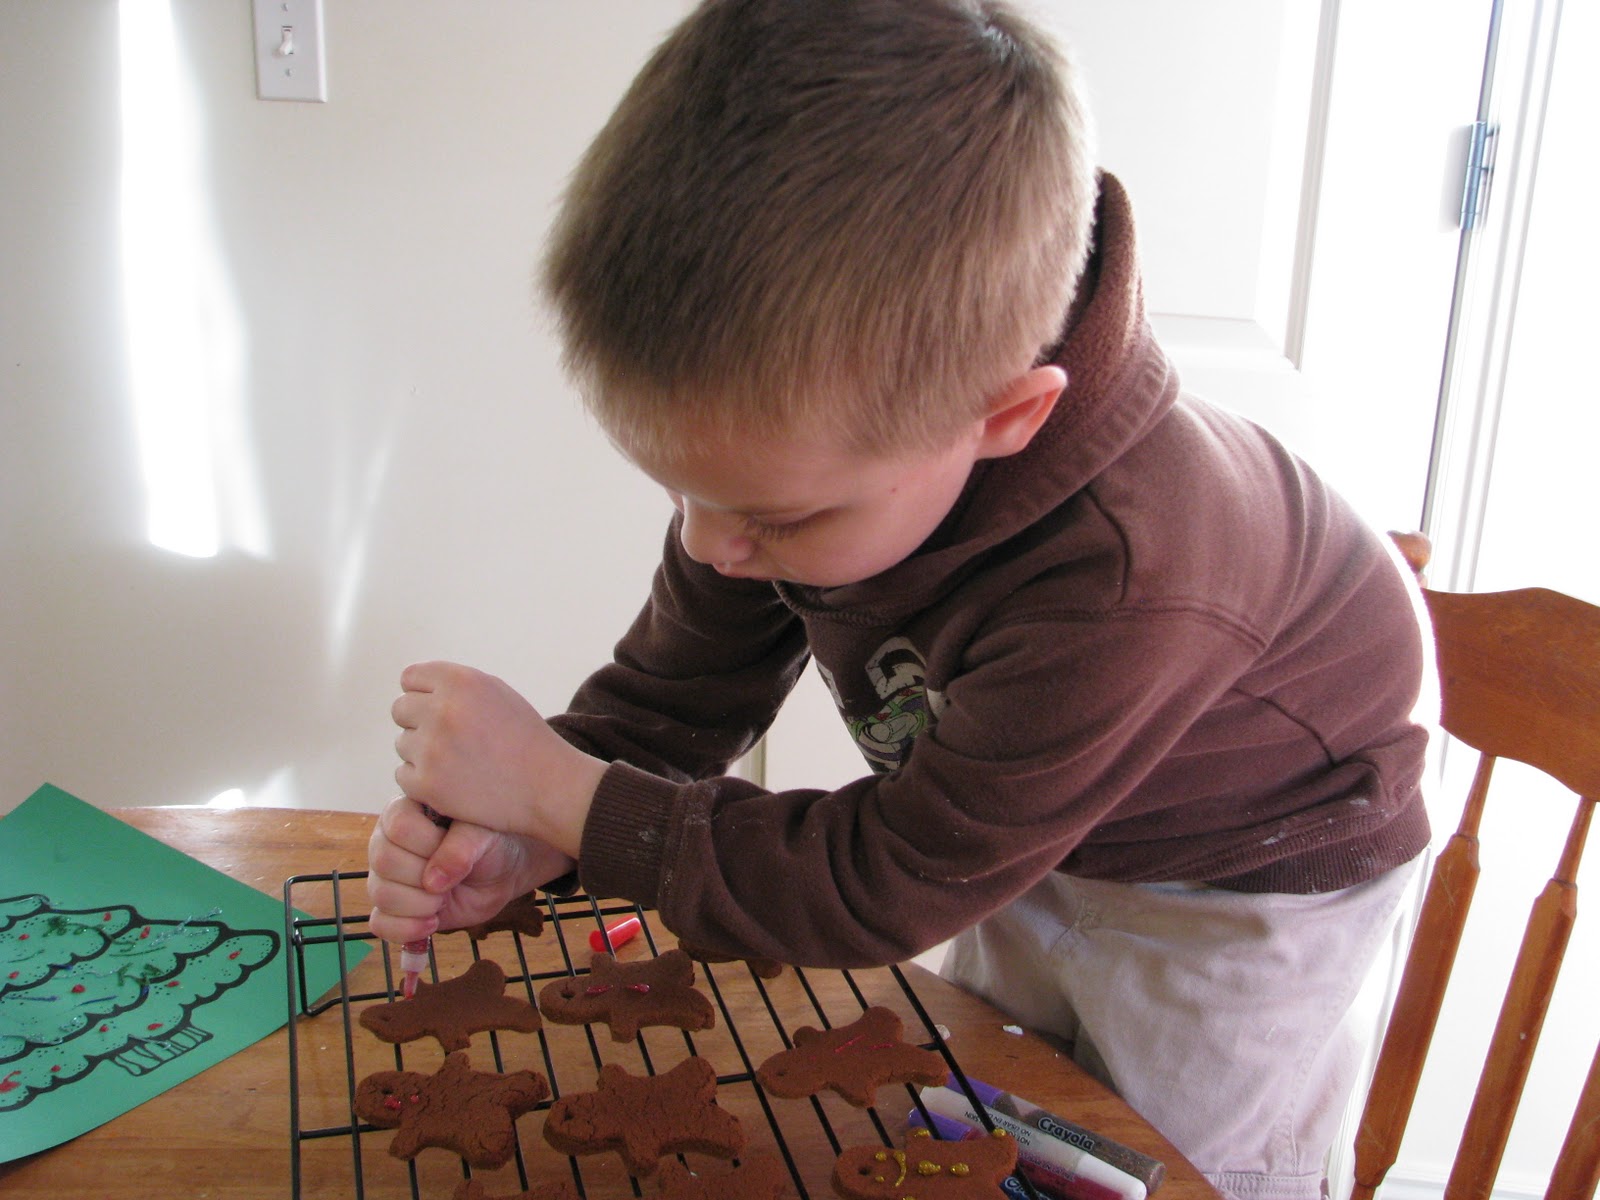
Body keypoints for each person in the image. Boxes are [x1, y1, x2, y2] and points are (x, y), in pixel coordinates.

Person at [365, 2, 1431, 1196]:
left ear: (1004, 419)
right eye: (683, 493)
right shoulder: (799, 477)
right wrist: (526, 834)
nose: (716, 550)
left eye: (778, 518)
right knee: (1004, 1117)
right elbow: (673, 697)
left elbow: (883, 883)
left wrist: (564, 791)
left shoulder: (1133, 573)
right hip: (1022, 819)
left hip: (1244, 875)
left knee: (1170, 1172)